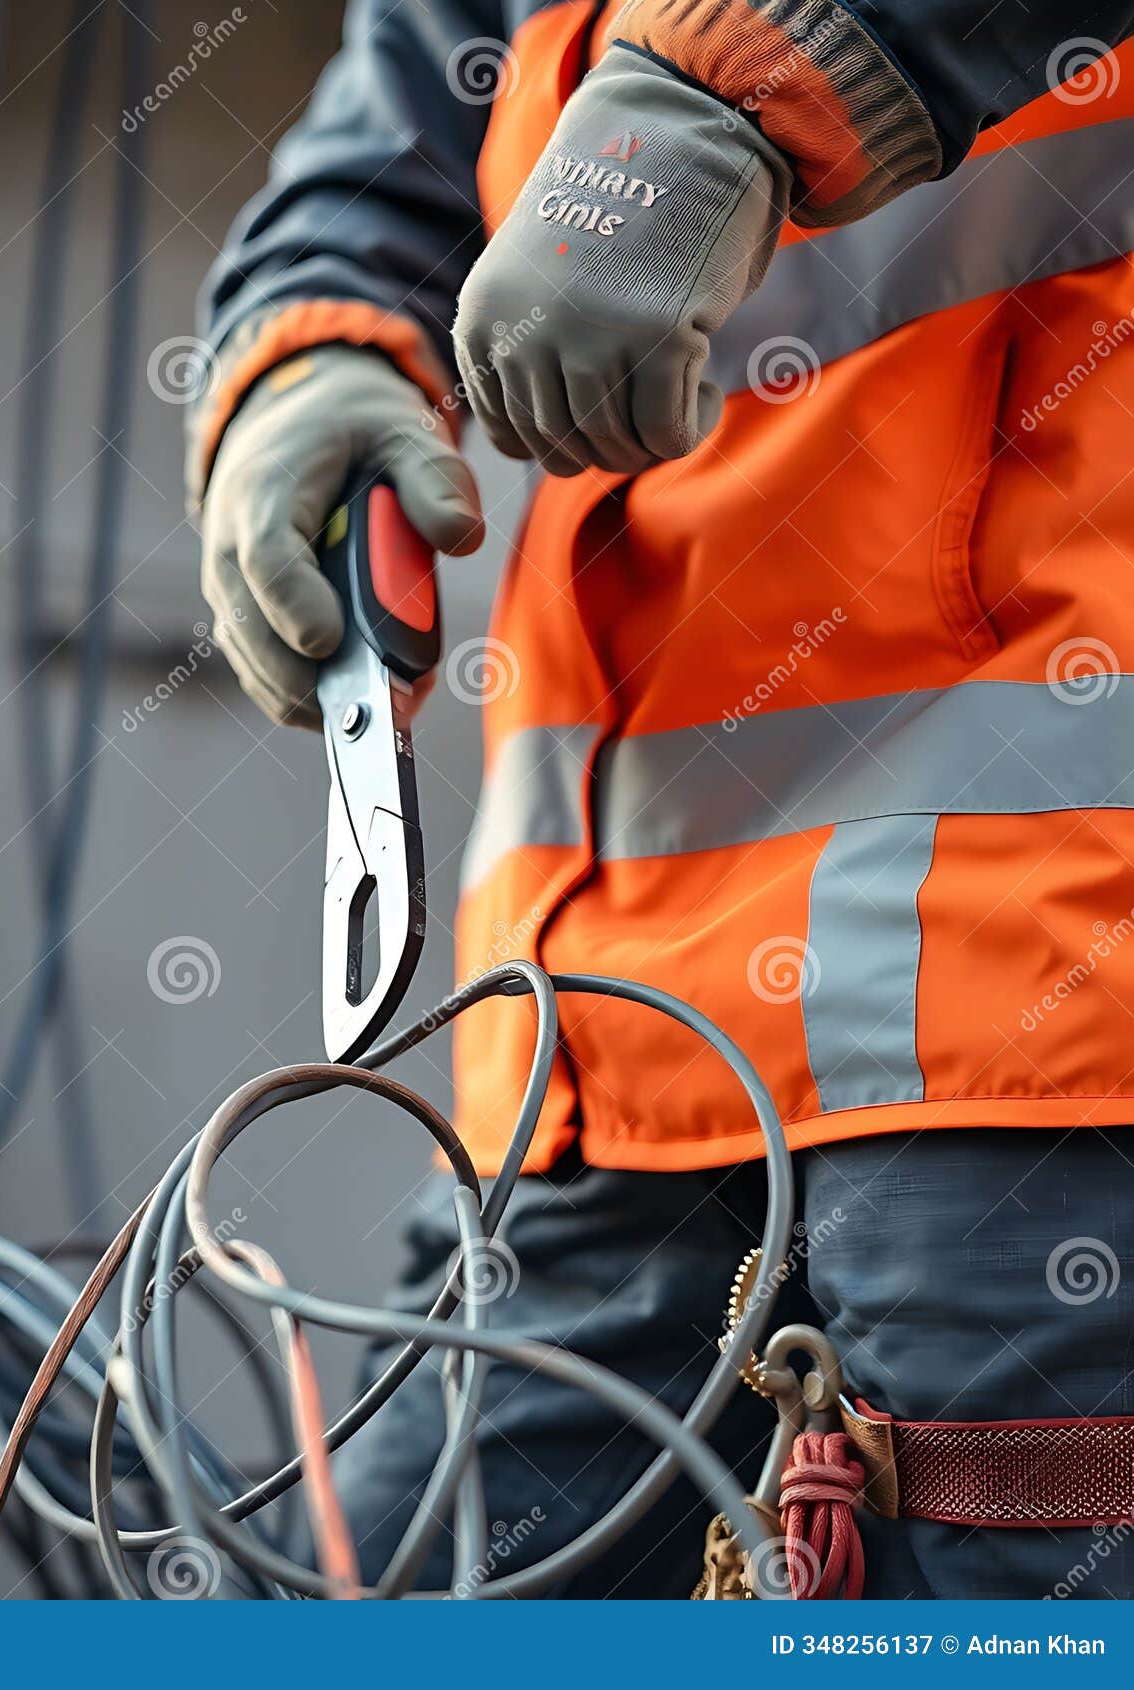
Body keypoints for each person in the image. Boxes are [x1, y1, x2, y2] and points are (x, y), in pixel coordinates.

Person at [189, 1, 1134, 1597]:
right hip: (600, 1032)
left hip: (1041, 996)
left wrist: (748, 82)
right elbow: (423, 94)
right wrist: (317, 336)